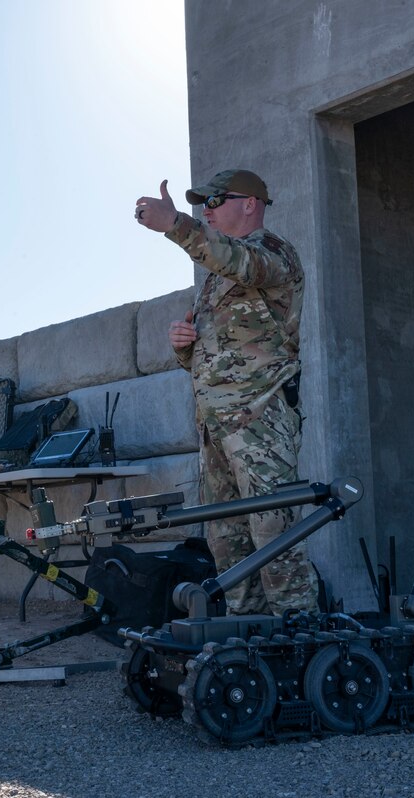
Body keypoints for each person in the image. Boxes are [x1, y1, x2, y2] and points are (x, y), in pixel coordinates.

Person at [135, 170, 318, 615]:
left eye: (215, 201)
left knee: (274, 535)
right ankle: (245, 632)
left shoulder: (273, 253)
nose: (207, 211)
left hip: (259, 421)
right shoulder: (215, 280)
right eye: (203, 205)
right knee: (227, 538)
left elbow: (239, 262)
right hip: (216, 427)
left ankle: (301, 635)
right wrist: (184, 346)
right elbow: (212, 356)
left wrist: (175, 223)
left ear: (250, 204)